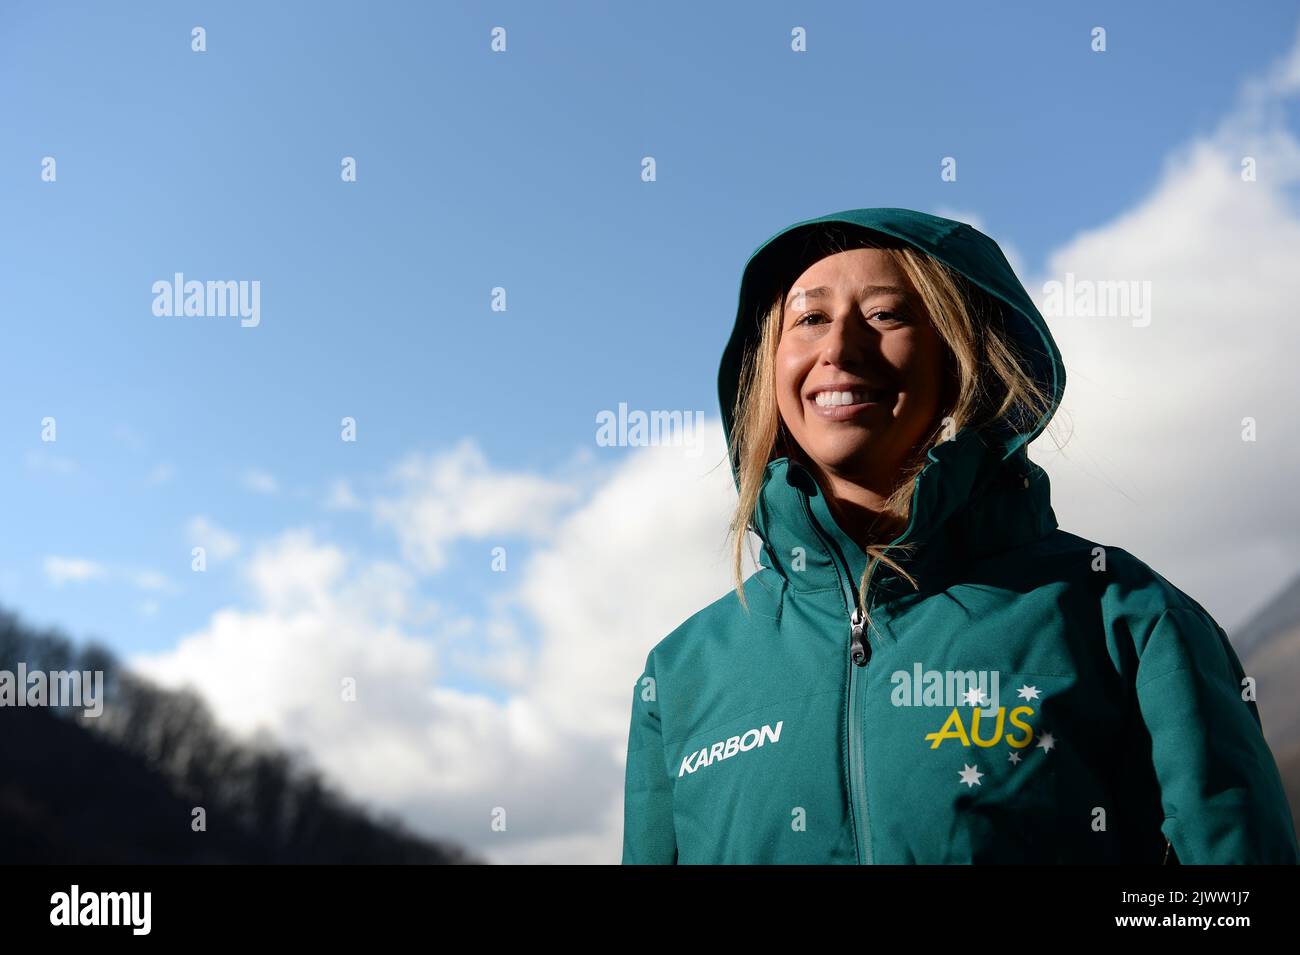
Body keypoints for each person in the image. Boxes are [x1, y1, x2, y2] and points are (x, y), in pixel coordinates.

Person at [620, 207, 1300, 864]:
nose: (839, 348)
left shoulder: (1124, 616)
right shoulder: (679, 675)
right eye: (810, 319)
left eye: (885, 315)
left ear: (963, 356)